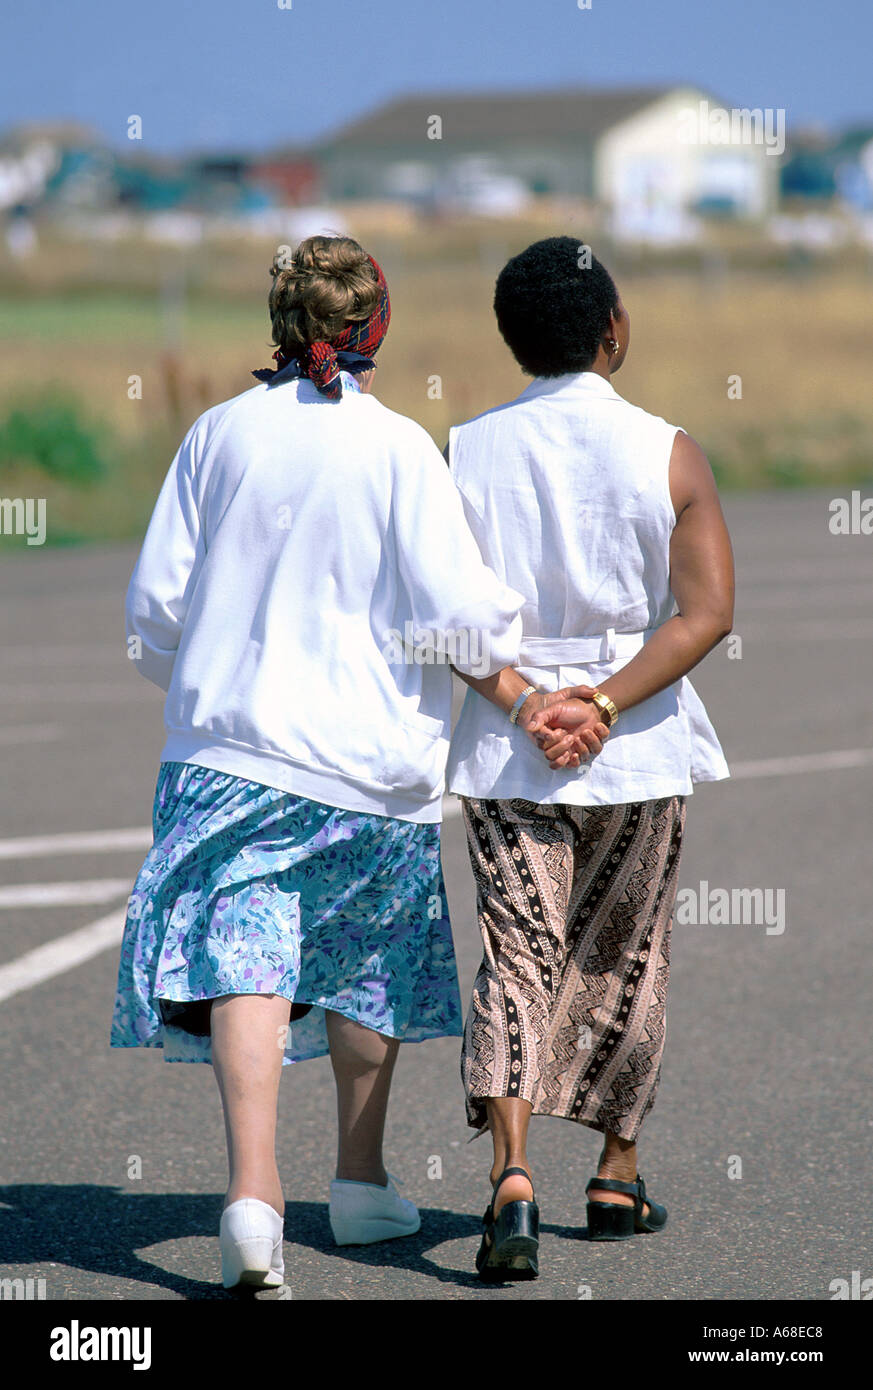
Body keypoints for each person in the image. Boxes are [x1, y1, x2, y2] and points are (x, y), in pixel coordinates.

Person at [110, 234, 605, 1291]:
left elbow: (154, 613)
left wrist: (214, 688)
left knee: (249, 958)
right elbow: (459, 618)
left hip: (225, 753)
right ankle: (360, 1178)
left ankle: (253, 1194)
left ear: (280, 322)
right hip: (361, 766)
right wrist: (529, 696)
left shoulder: (214, 436)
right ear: (374, 325)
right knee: (360, 964)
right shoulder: (394, 448)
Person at [444, 235, 735, 1281]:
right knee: (628, 955)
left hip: (510, 747)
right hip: (637, 750)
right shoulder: (669, 448)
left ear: (513, 339)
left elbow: (447, 617)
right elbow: (706, 613)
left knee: (515, 956)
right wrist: (604, 700)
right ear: (614, 328)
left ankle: (511, 1180)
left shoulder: (464, 450)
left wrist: (532, 703)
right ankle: (617, 1170)